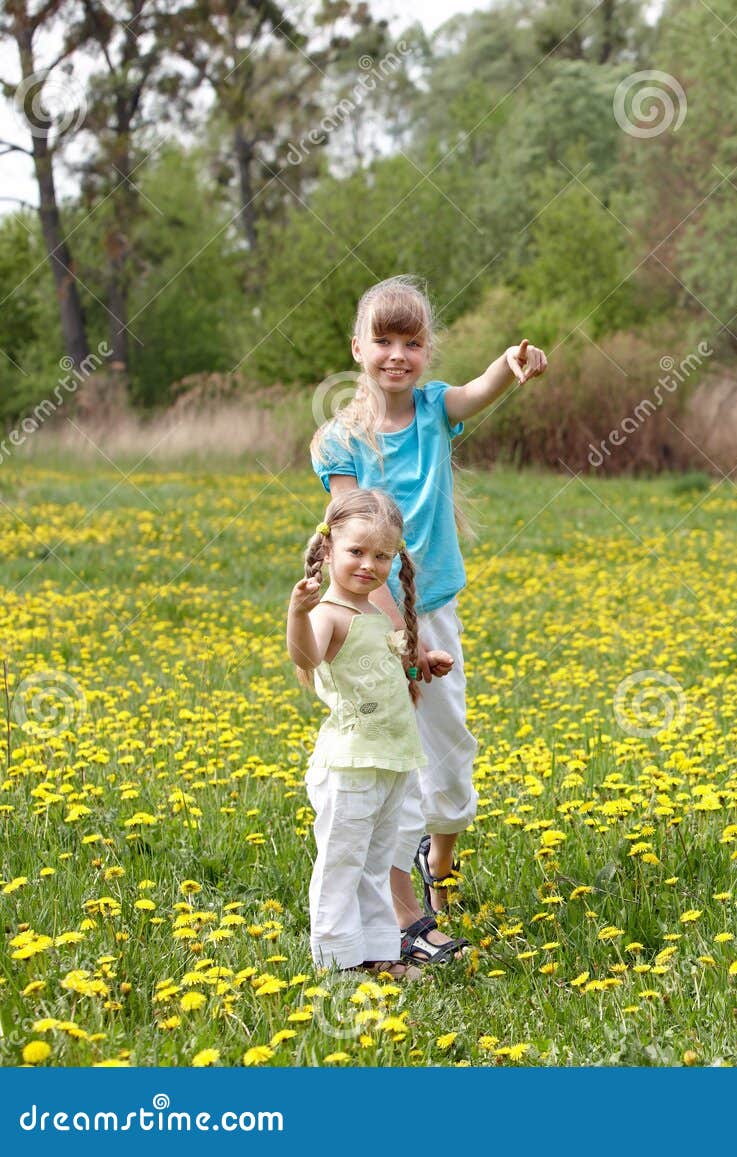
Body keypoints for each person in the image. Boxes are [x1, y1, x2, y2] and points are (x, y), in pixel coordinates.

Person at [311, 275, 547, 964]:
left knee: (449, 749)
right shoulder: (340, 443)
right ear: (358, 346)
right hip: (367, 620)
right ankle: (398, 913)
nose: (397, 354)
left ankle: (438, 865)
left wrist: (510, 363)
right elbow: (350, 537)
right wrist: (395, 639)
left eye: (412, 342)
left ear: (426, 352)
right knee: (388, 757)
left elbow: (479, 390)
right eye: (383, 339)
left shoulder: (437, 410)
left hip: (433, 610)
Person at [286, 487, 467, 978]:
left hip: (391, 762)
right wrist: (297, 615)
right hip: (350, 766)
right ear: (328, 552)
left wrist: (422, 661)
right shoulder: (327, 614)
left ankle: (377, 952)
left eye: (382, 556)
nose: (369, 564)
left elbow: (385, 672)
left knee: (377, 863)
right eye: (356, 552)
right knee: (342, 865)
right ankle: (335, 960)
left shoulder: (373, 614)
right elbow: (307, 657)